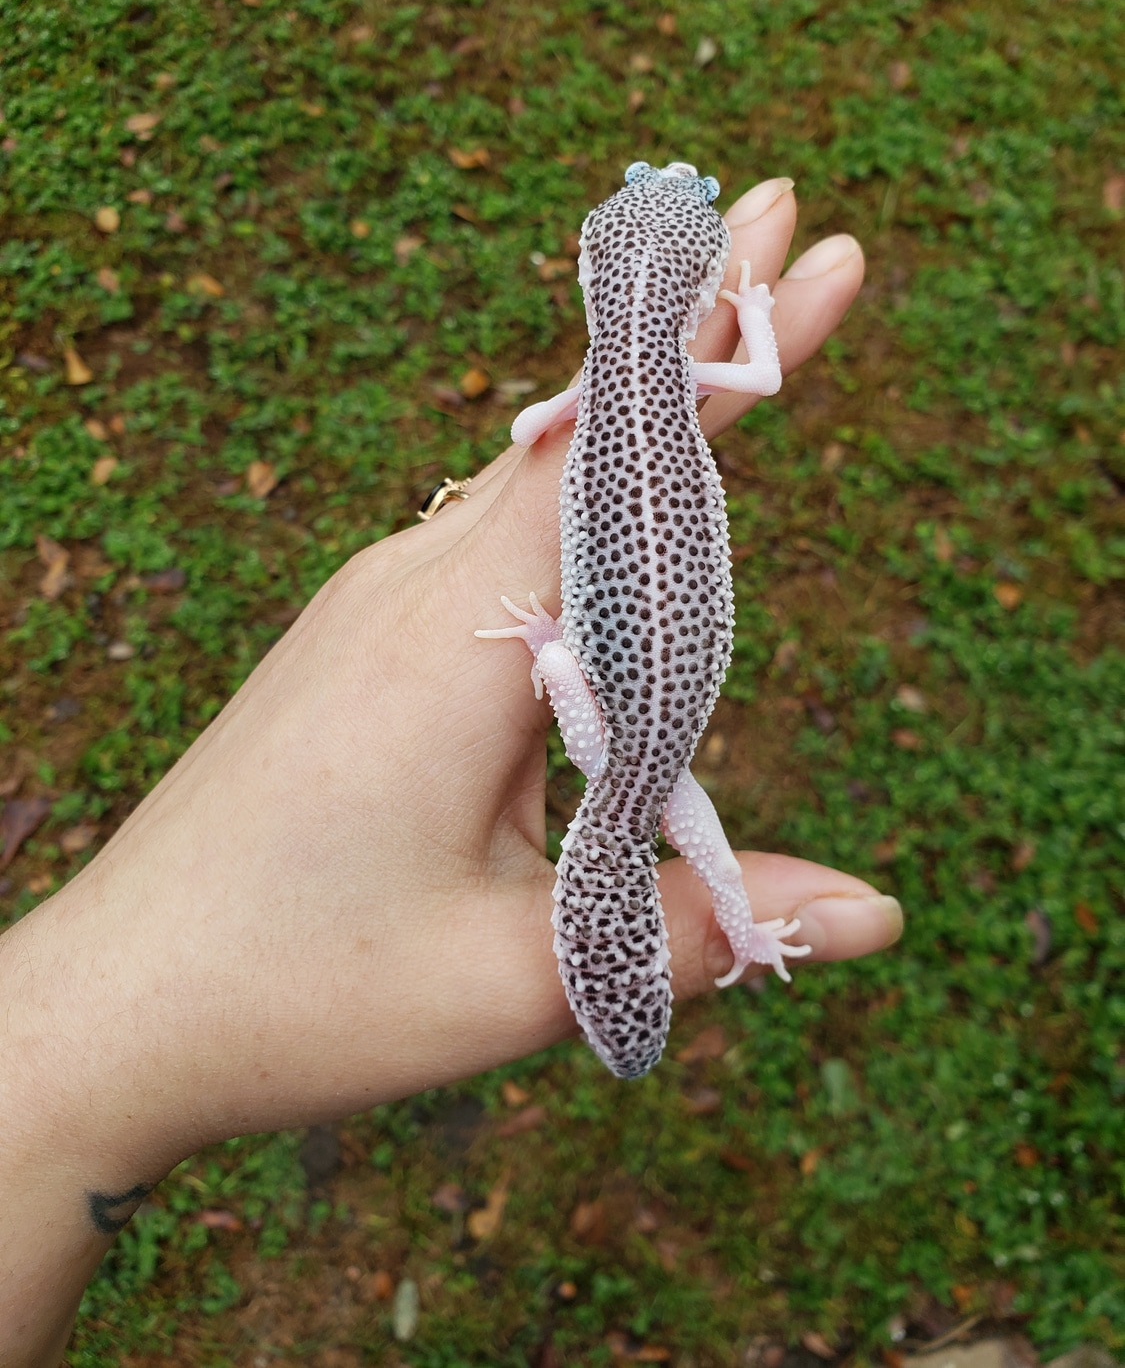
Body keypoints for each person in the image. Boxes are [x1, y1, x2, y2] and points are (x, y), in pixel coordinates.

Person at [0, 175, 898, 1368]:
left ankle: (734, 921)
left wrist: (534, 635)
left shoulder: (585, 394)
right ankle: (746, 931)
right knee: (690, 832)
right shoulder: (687, 378)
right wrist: (757, 310)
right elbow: (765, 377)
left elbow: (533, 437)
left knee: (666, 810)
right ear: (682, 293)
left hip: (613, 734)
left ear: (592, 280)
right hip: (654, 746)